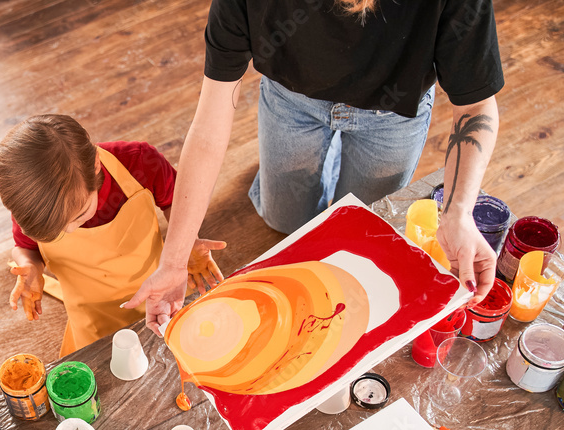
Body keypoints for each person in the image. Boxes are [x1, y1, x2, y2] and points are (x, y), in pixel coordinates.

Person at [125, 0, 504, 333]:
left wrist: (458, 213)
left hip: (390, 112)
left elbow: (475, 107)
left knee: (358, 234)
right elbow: (209, 122)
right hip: (292, 97)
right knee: (283, 219)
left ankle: (336, 173)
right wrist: (174, 260)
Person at [0, 114, 225, 355]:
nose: (69, 231)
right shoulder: (33, 205)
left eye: (79, 215)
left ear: (95, 165)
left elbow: (178, 203)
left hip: (158, 286)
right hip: (91, 315)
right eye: (55, 232)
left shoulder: (139, 162)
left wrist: (186, 244)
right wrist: (30, 266)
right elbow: (26, 248)